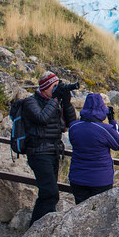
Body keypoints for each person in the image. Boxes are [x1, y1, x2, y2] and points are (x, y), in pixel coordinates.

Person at [21, 71, 77, 225]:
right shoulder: (30, 102)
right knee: (50, 193)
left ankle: (41, 228)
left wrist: (66, 101)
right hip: (38, 152)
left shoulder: (55, 102)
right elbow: (42, 118)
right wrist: (55, 99)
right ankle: (37, 230)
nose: (56, 89)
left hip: (53, 152)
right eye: (54, 86)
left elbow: (72, 122)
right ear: (45, 87)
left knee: (47, 194)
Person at [67, 93, 119, 204]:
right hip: (100, 180)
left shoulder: (74, 127)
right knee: (99, 215)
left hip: (78, 179)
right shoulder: (105, 129)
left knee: (80, 213)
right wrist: (113, 121)